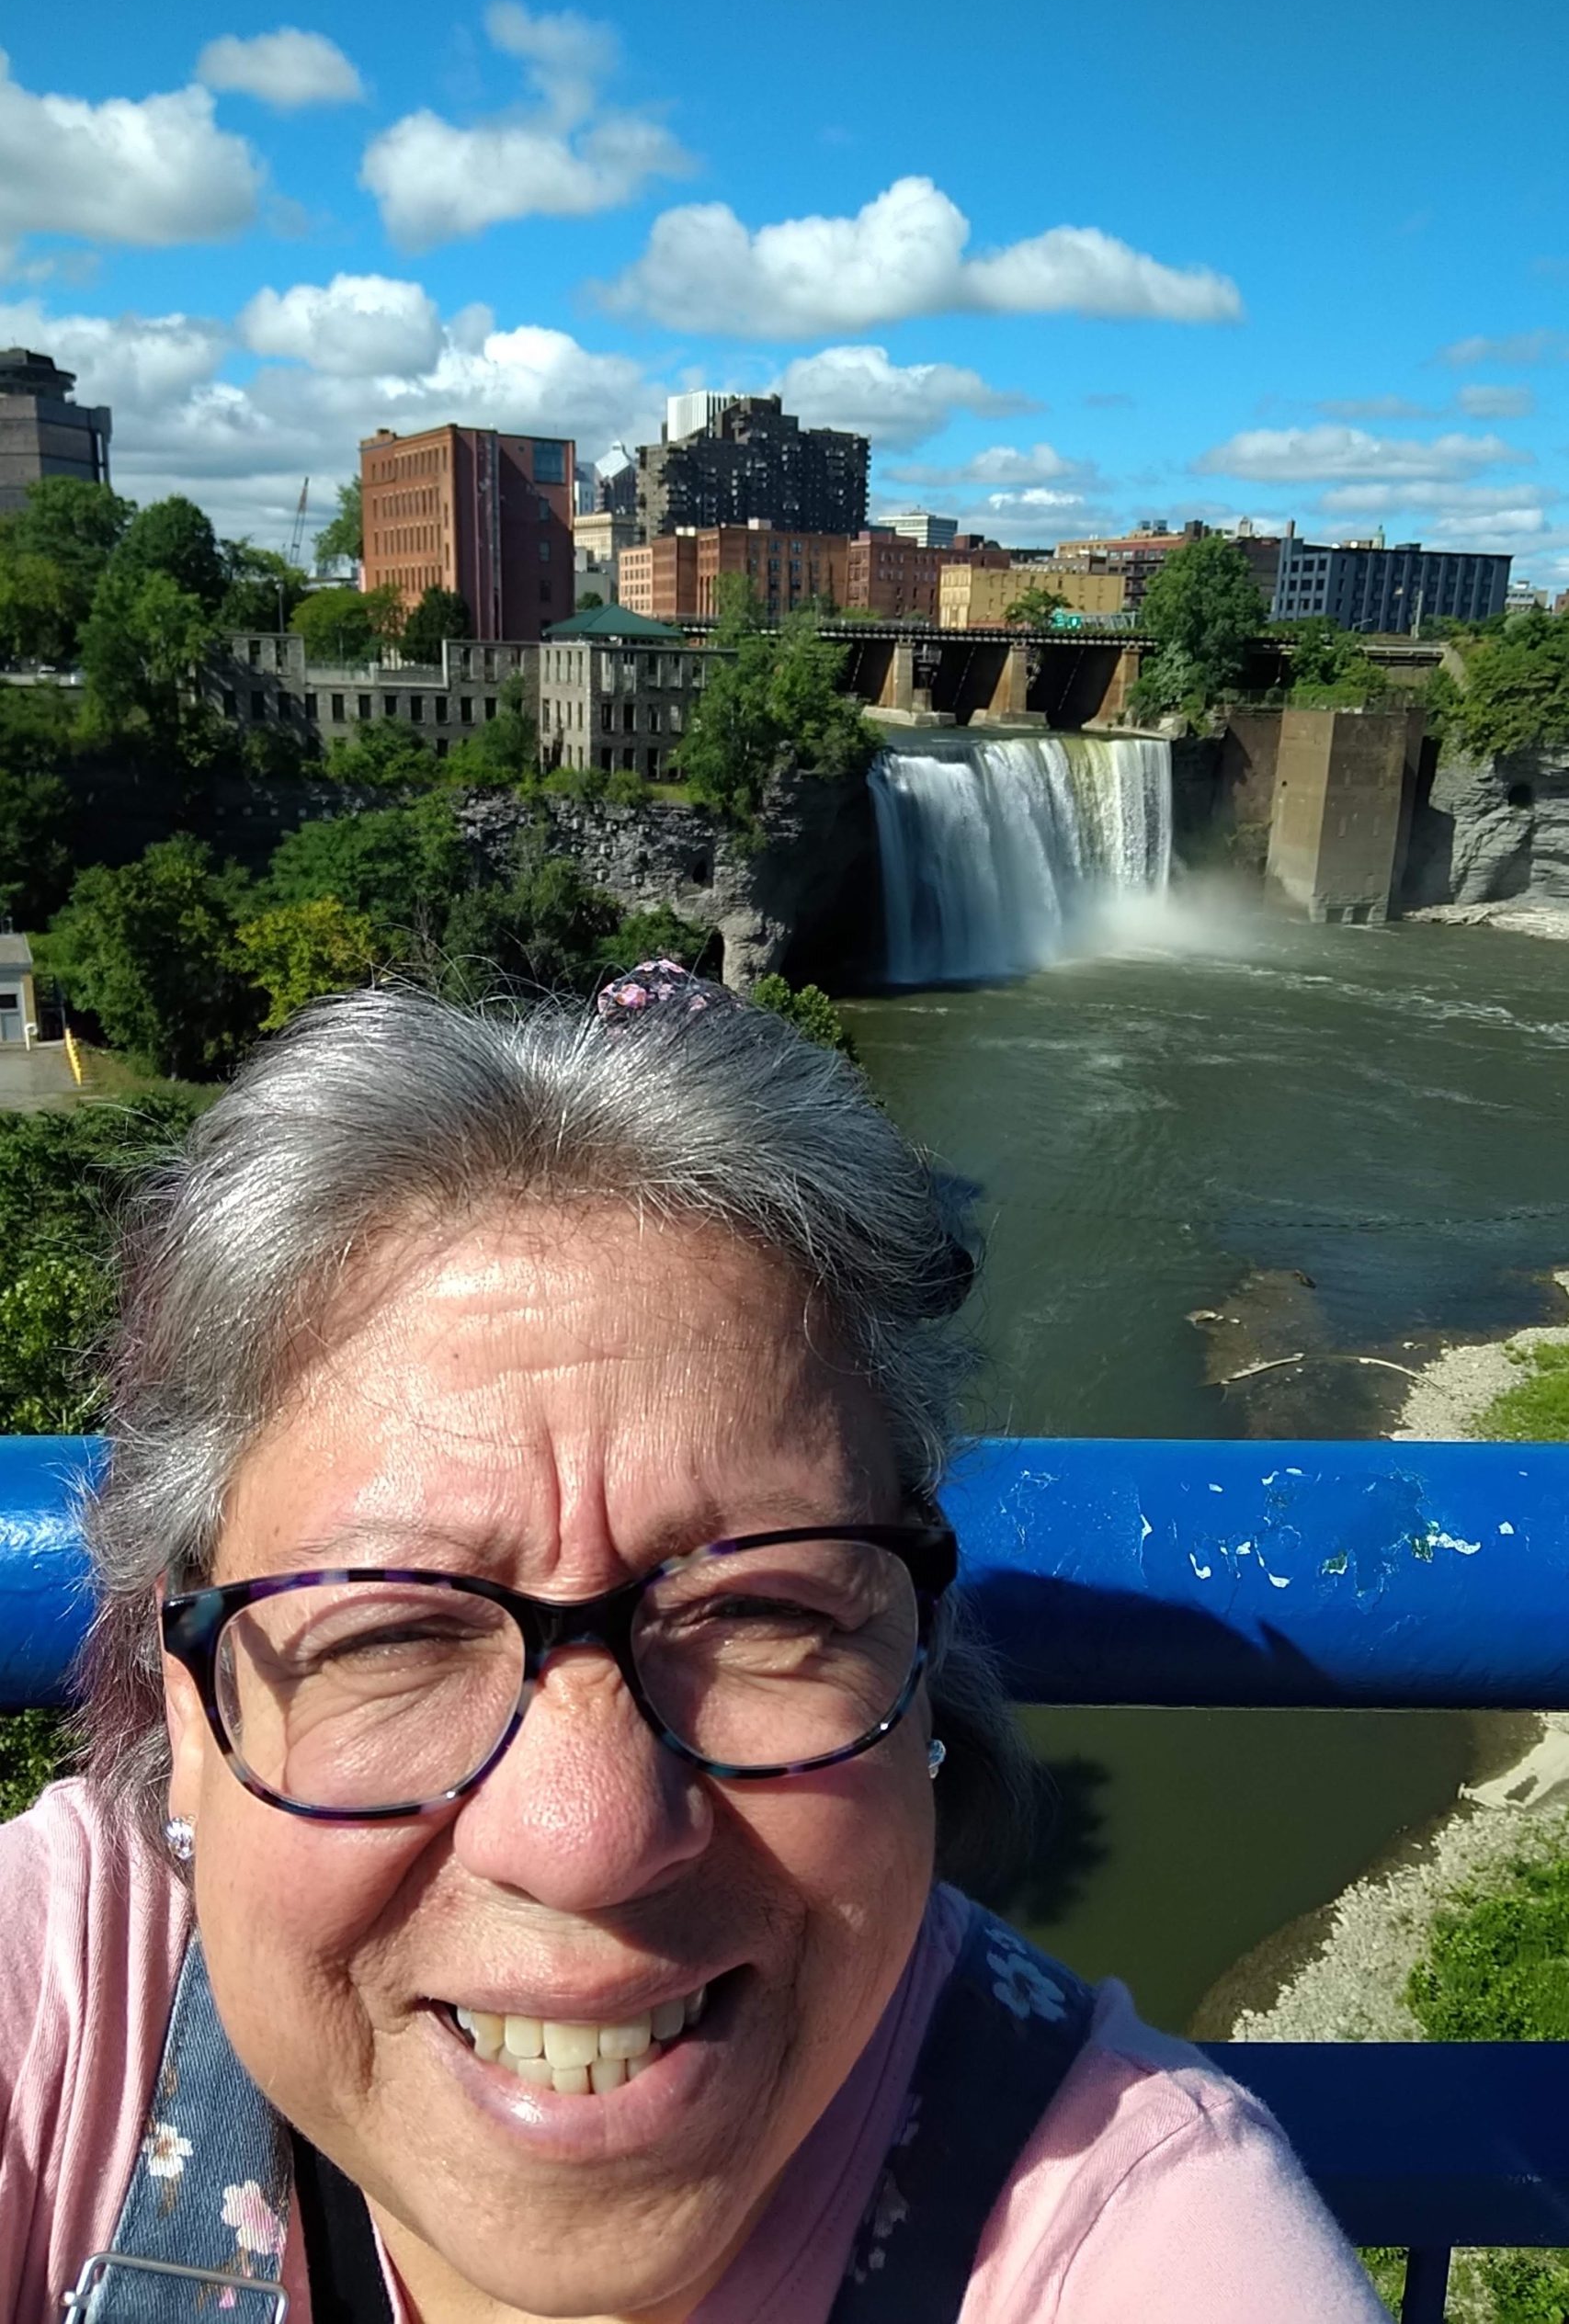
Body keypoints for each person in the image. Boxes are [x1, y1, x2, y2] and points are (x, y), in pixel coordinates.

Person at [0, 975, 1385, 2321]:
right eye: (395, 1633)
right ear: (191, 1710)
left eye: (762, 1612)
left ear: (918, 1661)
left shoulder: (1134, 2225)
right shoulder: (58, 1997)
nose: (589, 1842)